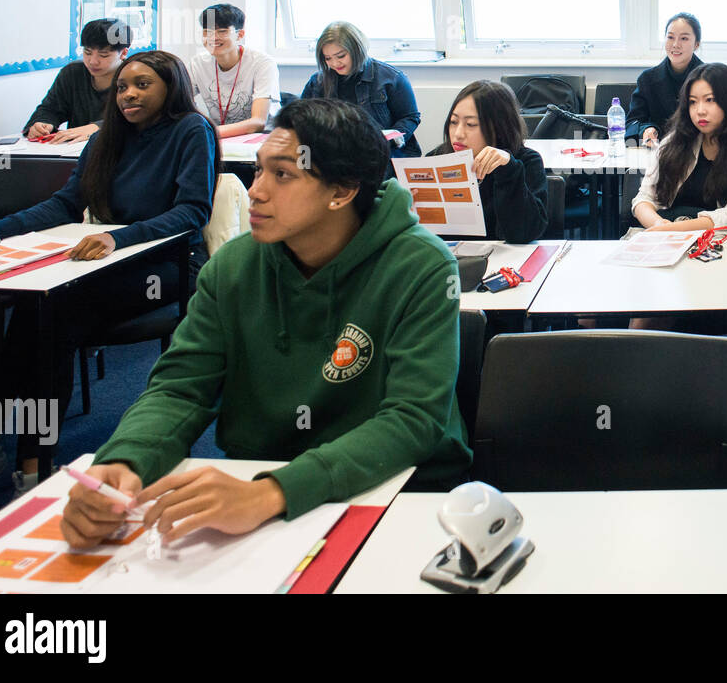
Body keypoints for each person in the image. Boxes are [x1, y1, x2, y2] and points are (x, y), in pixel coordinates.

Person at [57, 99, 471, 548]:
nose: (255, 191)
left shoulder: (421, 265)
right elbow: (180, 387)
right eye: (258, 171)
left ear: (343, 191)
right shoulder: (232, 266)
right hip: (261, 480)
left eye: (283, 174)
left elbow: (413, 419)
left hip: (397, 488)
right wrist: (127, 459)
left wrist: (274, 492)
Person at [0, 51, 220, 491]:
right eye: (121, 87)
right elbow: (64, 203)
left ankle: (15, 452)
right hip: (112, 259)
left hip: (169, 263)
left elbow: (192, 212)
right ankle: (7, 445)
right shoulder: (108, 137)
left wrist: (120, 237)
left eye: (142, 84)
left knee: (55, 315)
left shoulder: (191, 130)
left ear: (169, 87)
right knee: (38, 309)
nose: (128, 94)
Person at [632, 62, 727, 233]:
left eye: (710, 100)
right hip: (665, 235)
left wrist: (672, 230)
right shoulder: (672, 144)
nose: (700, 111)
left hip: (720, 242)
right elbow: (644, 198)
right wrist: (658, 225)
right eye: (692, 102)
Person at [430, 81, 548, 244]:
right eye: (453, 122)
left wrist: (508, 171)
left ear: (498, 127)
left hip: (505, 261)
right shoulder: (437, 159)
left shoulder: (526, 161)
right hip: (446, 261)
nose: (458, 134)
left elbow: (522, 234)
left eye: (470, 124)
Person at [300, 21, 421, 158]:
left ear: (357, 50)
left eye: (341, 56)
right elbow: (301, 119)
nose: (335, 63)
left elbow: (410, 117)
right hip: (336, 157)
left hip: (384, 156)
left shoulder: (391, 77)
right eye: (328, 58)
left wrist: (389, 140)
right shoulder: (317, 82)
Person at [21, 18, 130, 142]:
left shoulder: (135, 78)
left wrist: (97, 127)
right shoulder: (73, 73)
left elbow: (139, 120)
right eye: (87, 52)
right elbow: (50, 109)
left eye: (103, 55)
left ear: (123, 53)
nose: (93, 61)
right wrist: (43, 123)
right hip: (73, 154)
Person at [188, 3, 280, 137]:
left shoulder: (262, 63)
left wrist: (209, 132)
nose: (213, 38)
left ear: (240, 34)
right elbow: (180, 102)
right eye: (207, 31)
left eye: (222, 31)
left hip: (262, 137)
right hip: (220, 138)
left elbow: (258, 122)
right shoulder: (197, 63)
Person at [626, 12, 705, 148]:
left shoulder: (708, 79)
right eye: (670, 37)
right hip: (658, 152)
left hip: (698, 150)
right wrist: (647, 129)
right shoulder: (647, 79)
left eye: (684, 38)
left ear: (696, 44)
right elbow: (633, 121)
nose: (675, 44)